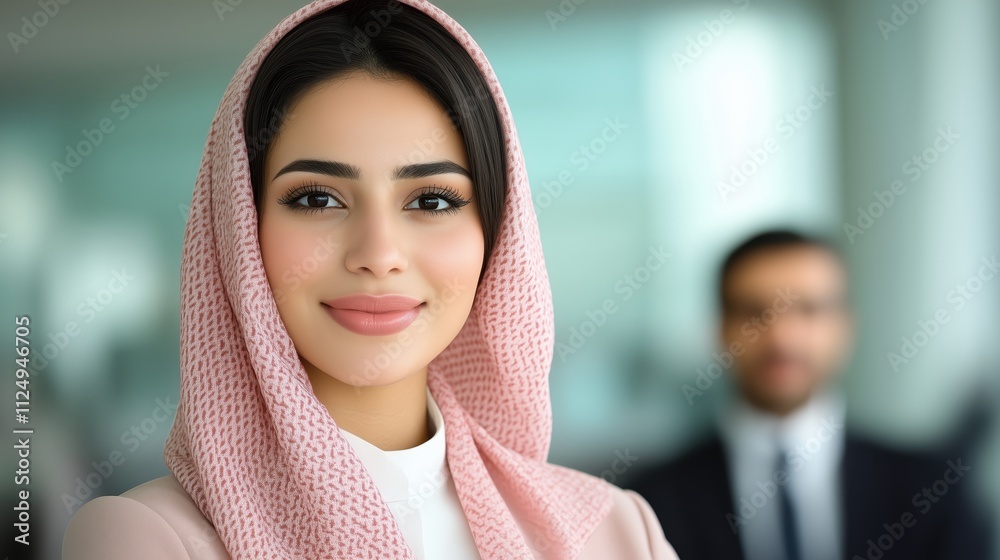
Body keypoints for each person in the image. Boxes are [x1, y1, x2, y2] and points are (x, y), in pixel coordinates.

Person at [61, 1, 679, 558]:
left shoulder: (614, 530)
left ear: (499, 233)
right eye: (316, 199)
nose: (379, 254)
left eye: (433, 202)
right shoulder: (147, 538)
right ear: (238, 230)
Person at [627, 229, 993, 560]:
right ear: (720, 329)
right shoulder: (653, 502)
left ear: (845, 325)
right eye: (754, 312)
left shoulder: (932, 492)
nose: (782, 337)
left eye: (810, 309)